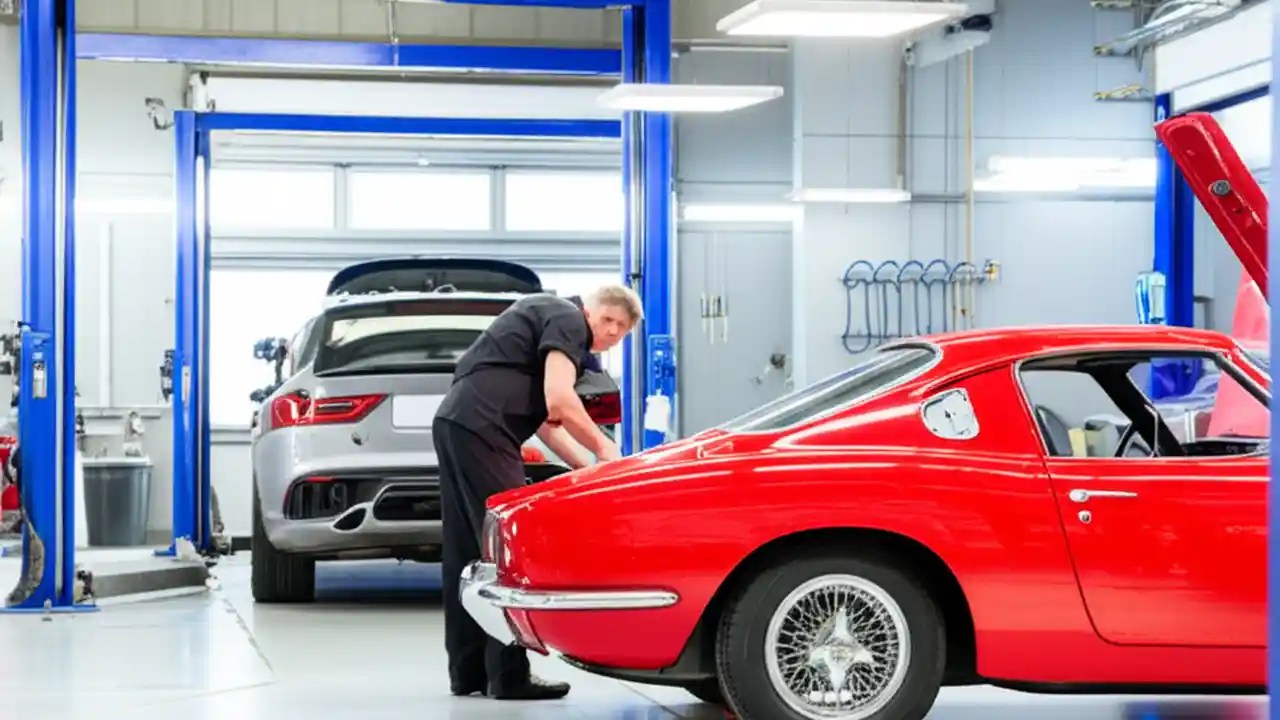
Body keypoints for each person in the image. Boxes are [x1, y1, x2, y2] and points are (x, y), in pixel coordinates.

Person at [433, 284, 642, 701]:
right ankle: (509, 677)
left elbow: (550, 421)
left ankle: (469, 671)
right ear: (590, 310)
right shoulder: (567, 319)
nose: (612, 331)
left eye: (621, 329)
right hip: (485, 428)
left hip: (458, 423)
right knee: (507, 549)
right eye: (608, 320)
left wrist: (587, 468)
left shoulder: (555, 333)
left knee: (467, 552)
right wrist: (606, 449)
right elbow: (561, 400)